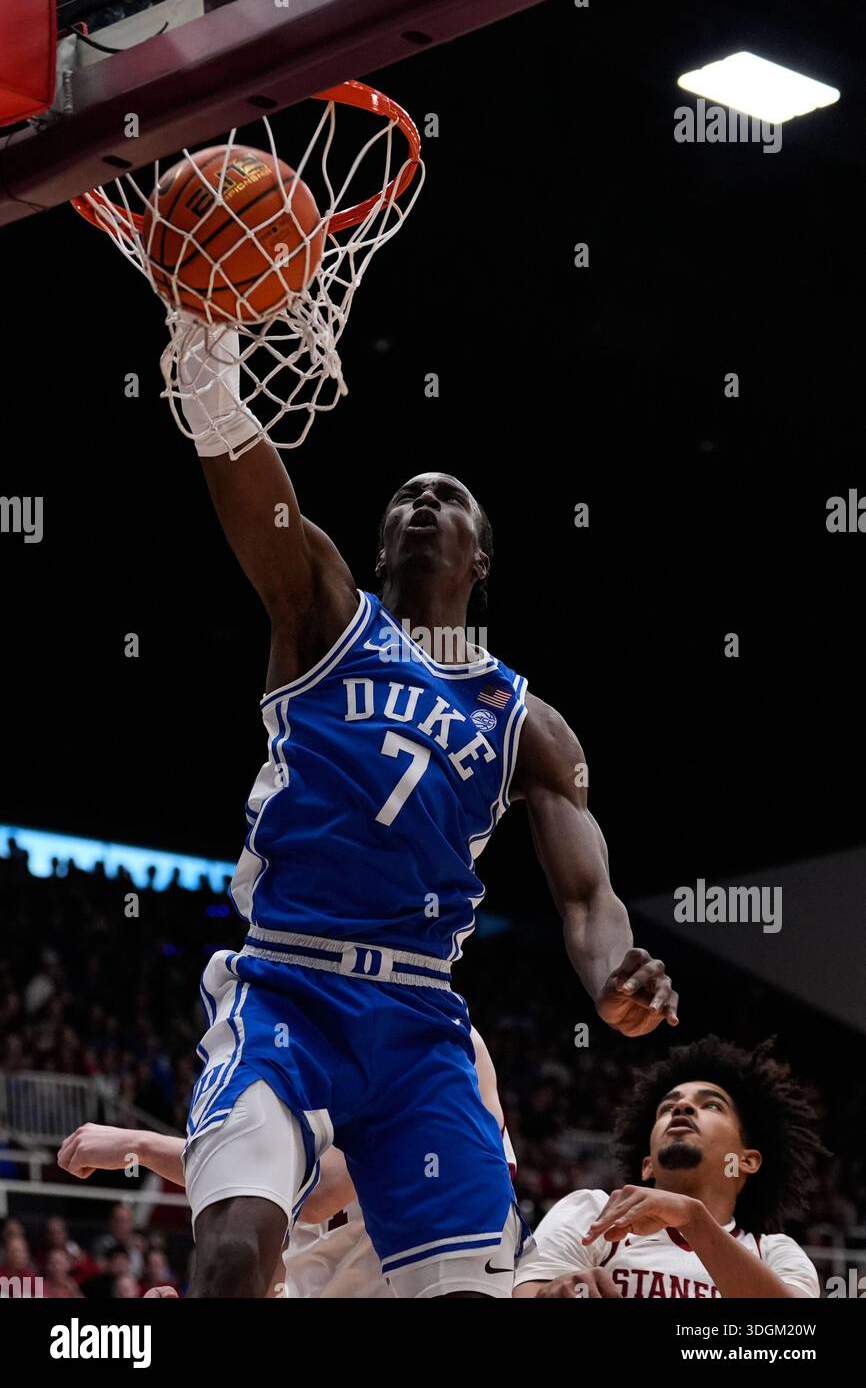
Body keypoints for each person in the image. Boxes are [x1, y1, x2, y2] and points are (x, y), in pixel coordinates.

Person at [172, 336, 680, 1299]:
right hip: (288, 981)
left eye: (446, 496)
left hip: (418, 1017)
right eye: (407, 495)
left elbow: (587, 898)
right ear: (378, 546)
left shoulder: (528, 724)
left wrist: (613, 979)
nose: (422, 503)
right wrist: (206, 369)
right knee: (237, 1253)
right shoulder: (325, 614)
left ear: (479, 557)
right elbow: (253, 488)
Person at [59, 1028, 517, 1298]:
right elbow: (291, 1244)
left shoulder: (436, 1036)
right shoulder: (296, 1038)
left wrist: (140, 1144)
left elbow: (316, 1195)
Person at [513, 1036, 822, 1298]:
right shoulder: (594, 1212)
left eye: (711, 1105)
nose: (681, 1107)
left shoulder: (775, 1253)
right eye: (666, 1108)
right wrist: (552, 1292)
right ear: (648, 1165)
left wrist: (691, 1217)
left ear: (747, 1160)